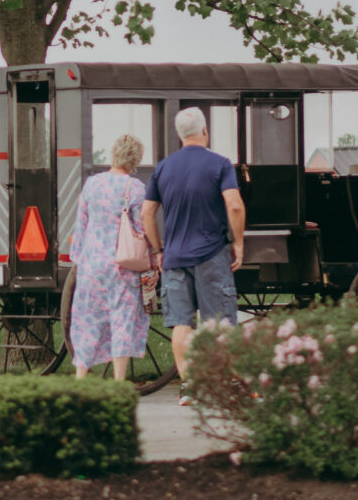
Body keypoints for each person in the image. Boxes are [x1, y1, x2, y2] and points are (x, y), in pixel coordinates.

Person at [143, 106, 244, 396]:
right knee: (220, 321)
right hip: (211, 254)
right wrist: (238, 242)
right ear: (205, 131)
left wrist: (159, 250)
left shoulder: (163, 167)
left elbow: (147, 213)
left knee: (181, 324)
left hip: (174, 258)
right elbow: (234, 205)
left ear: (179, 134)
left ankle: (189, 387)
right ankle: (228, 383)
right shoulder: (220, 164)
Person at [66, 134, 153, 380]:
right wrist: (153, 262)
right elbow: (140, 230)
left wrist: (79, 258)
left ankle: (80, 376)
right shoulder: (134, 187)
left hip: (91, 266)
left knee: (87, 320)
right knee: (122, 321)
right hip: (121, 268)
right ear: (135, 159)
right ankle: (118, 381)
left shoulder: (92, 184)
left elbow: (80, 226)